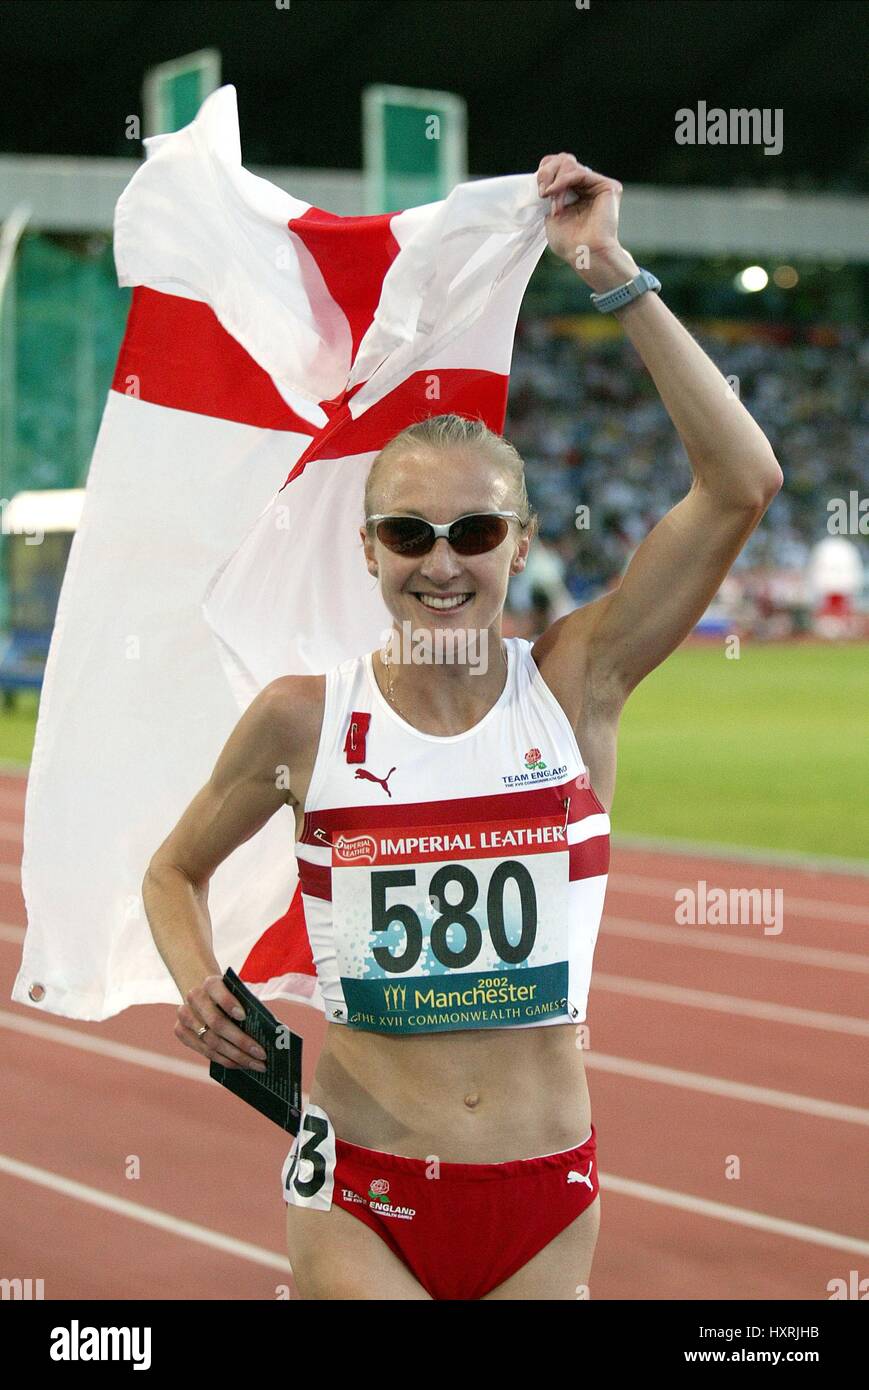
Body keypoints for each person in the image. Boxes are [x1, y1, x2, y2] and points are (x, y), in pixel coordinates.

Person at [142, 152, 783, 1300]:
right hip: (361, 1189)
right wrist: (196, 979)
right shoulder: (301, 718)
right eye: (409, 534)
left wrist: (607, 268)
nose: (442, 563)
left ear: (522, 545)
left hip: (541, 1194)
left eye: (475, 534)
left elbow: (740, 481)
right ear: (368, 548)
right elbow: (171, 873)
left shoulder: (577, 683)